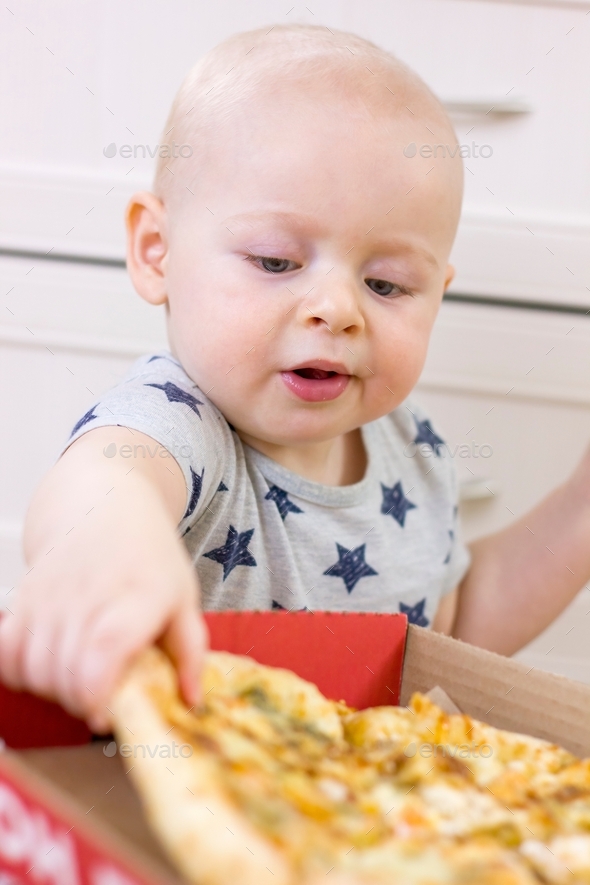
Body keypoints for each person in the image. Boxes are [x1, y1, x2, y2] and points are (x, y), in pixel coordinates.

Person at [2, 24, 589, 734]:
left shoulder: (412, 447)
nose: (337, 309)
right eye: (276, 262)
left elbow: (447, 631)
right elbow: (105, 478)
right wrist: (107, 549)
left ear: (439, 292)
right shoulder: (179, 422)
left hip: (357, 792)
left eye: (386, 284)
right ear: (157, 251)